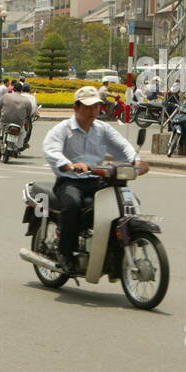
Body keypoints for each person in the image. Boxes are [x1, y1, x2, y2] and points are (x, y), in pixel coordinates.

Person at [42, 87, 149, 275]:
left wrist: (136, 161)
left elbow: (122, 145)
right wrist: (70, 165)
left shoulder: (102, 128)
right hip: (70, 181)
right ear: (76, 107)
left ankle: (114, 254)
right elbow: (51, 150)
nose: (93, 111)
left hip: (97, 179)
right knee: (73, 205)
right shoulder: (63, 129)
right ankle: (65, 253)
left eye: (97, 107)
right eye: (88, 107)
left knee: (127, 202)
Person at [0, 81, 37, 150]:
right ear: (21, 90)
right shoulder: (26, 100)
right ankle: (18, 146)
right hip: (19, 123)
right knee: (23, 133)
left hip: (4, 121)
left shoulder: (6, 96)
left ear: (13, 89)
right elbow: (29, 113)